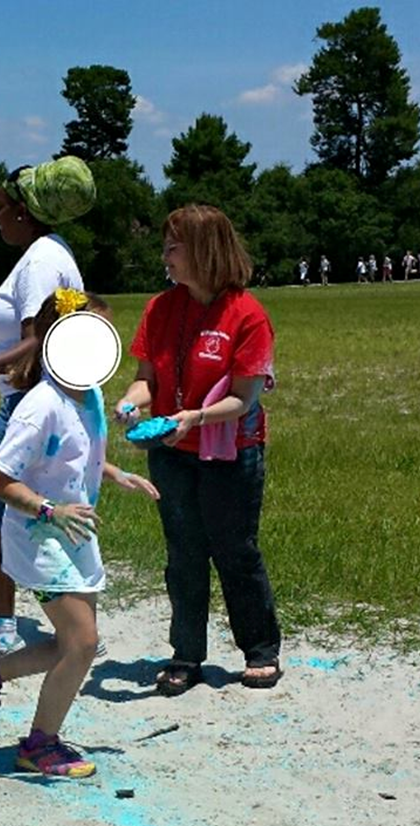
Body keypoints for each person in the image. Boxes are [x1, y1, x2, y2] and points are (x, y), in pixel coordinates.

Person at [0, 289, 158, 778]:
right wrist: (47, 508)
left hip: (73, 532)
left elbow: (72, 454)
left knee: (71, 644)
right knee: (84, 643)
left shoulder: (85, 395)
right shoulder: (40, 404)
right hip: (40, 537)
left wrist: (113, 474)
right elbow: (0, 477)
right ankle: (39, 744)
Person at [115, 204, 282, 694]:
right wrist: (130, 403)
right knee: (183, 553)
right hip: (170, 451)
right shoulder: (160, 308)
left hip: (231, 452)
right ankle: (186, 654)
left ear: (204, 252)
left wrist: (194, 418)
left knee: (234, 549)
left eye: (173, 247)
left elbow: (244, 399)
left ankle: (260, 649)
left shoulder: (247, 315)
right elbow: (147, 380)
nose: (164, 256)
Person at [0, 155, 96, 658]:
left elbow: (34, 341)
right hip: (43, 398)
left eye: (3, 207)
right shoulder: (56, 252)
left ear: (25, 213)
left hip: (26, 402)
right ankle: (74, 622)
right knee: (48, 505)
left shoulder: (38, 261)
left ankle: (4, 627)